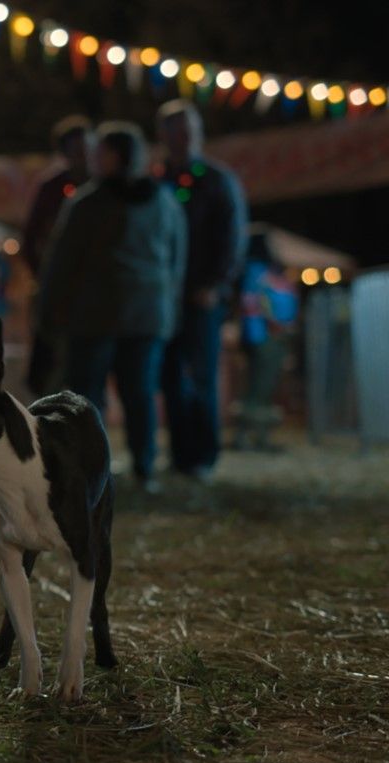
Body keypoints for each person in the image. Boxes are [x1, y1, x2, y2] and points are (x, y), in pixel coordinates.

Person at [40, 122, 186, 492]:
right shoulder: (164, 201)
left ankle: (89, 469)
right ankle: (144, 467)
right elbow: (176, 257)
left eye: (100, 152)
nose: (93, 158)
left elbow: (62, 259)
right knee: (139, 393)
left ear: (115, 156)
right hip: (148, 313)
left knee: (88, 396)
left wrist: (51, 306)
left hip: (95, 313)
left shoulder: (89, 201)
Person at [157, 99, 248, 482]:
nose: (182, 139)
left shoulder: (217, 180)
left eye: (187, 131)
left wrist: (215, 285)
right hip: (165, 300)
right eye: (174, 131)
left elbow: (232, 238)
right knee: (170, 378)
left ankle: (204, 457)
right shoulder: (157, 181)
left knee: (201, 377)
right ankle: (180, 456)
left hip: (202, 298)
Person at [22, 115, 96, 396]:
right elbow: (31, 238)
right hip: (58, 291)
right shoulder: (52, 189)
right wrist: (44, 275)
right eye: (75, 149)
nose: (83, 155)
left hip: (94, 294)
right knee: (52, 362)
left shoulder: (104, 187)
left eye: (87, 147)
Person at [230, 230, 299, 452]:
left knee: (263, 388)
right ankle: (248, 437)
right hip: (264, 336)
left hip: (267, 335)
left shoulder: (261, 271)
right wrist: (275, 324)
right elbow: (254, 302)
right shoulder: (256, 271)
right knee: (258, 388)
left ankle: (257, 437)